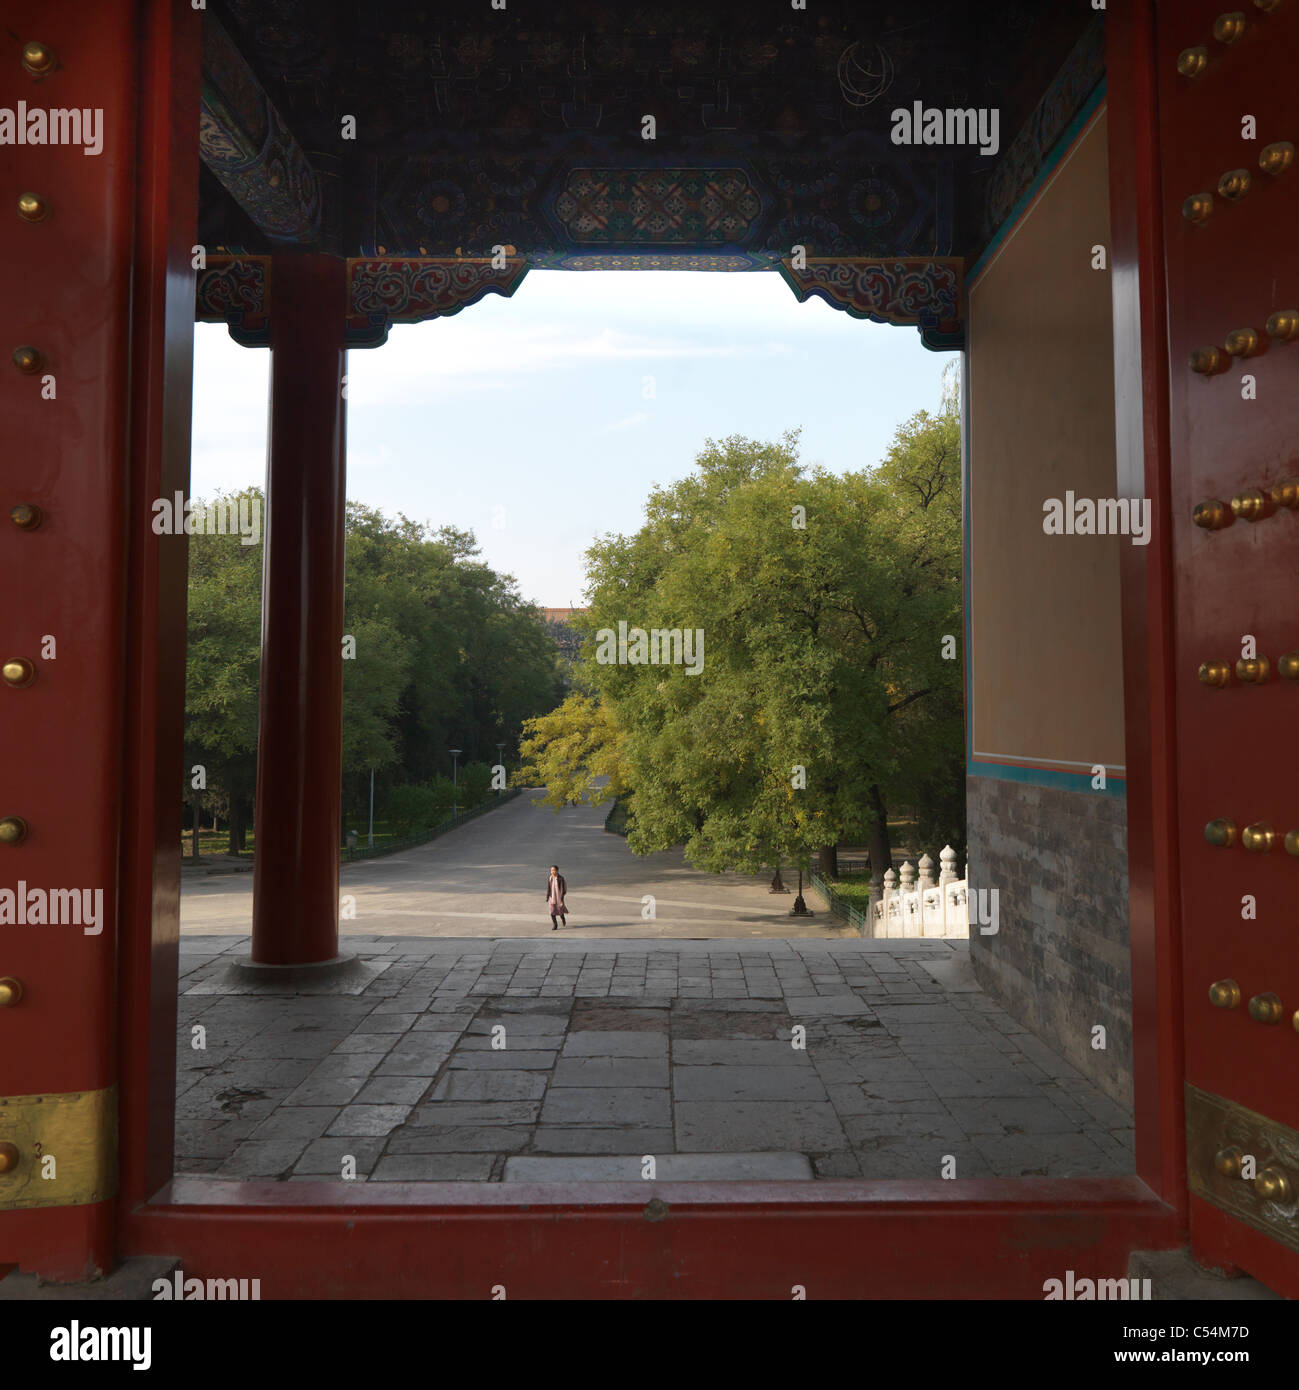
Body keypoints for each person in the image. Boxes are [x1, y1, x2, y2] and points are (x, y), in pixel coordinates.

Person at [546, 864, 567, 930]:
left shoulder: (561, 878)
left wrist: (562, 895)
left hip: (559, 898)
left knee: (560, 910)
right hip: (552, 897)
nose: (552, 872)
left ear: (557, 871)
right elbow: (548, 888)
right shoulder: (550, 878)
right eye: (551, 870)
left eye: (554, 870)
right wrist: (547, 896)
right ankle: (555, 924)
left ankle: (563, 918)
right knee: (552, 912)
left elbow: (564, 888)